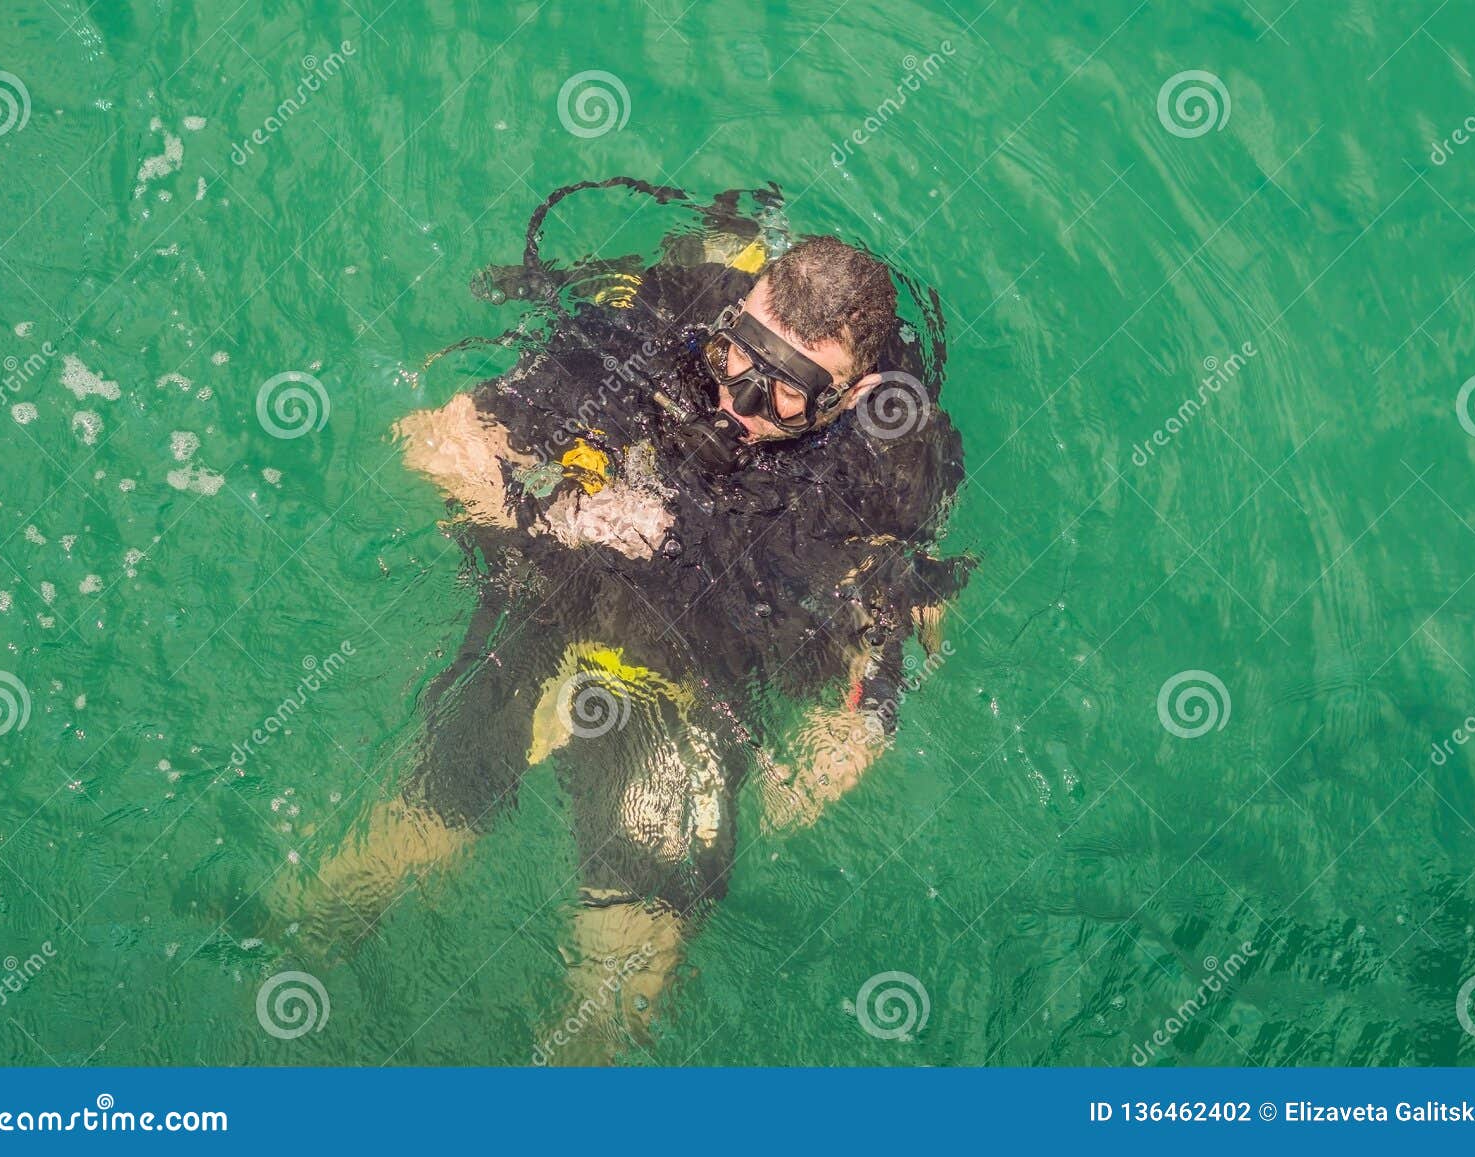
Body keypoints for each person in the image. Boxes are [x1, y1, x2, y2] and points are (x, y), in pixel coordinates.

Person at [295, 182, 972, 1061]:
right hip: (563, 585)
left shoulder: (895, 447)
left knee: (634, 929)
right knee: (438, 807)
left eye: (786, 395)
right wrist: (569, 518)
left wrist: (864, 721)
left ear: (852, 392)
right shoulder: (666, 325)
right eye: (736, 359)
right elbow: (433, 437)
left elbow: (917, 603)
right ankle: (280, 968)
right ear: (737, 312)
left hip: (695, 668)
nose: (738, 401)